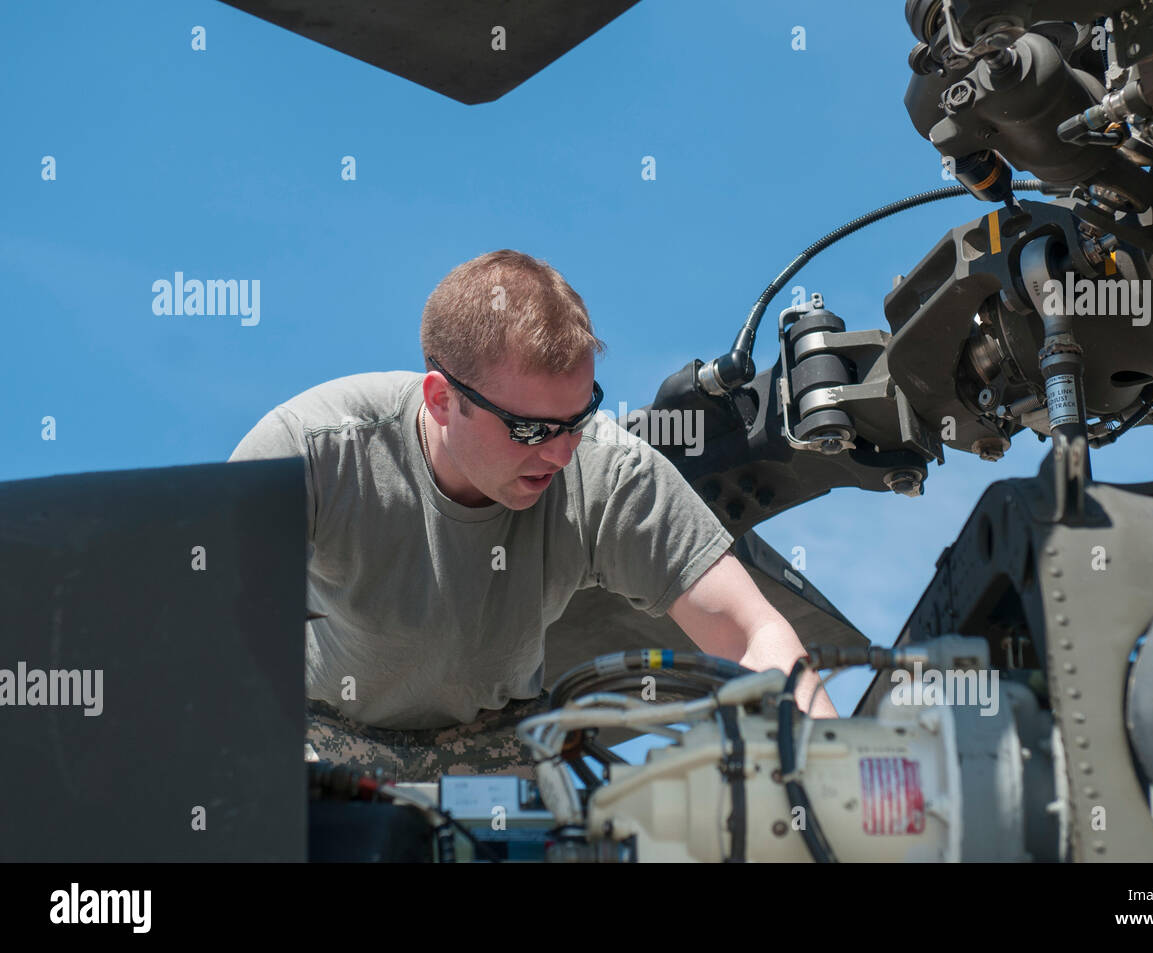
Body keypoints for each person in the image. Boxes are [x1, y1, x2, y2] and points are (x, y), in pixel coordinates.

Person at [228, 249, 837, 780]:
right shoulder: (313, 450)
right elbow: (198, 635)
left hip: (496, 741)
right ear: (442, 401)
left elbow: (753, 635)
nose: (560, 450)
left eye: (578, 417)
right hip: (319, 731)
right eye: (530, 428)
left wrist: (842, 783)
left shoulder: (606, 471)